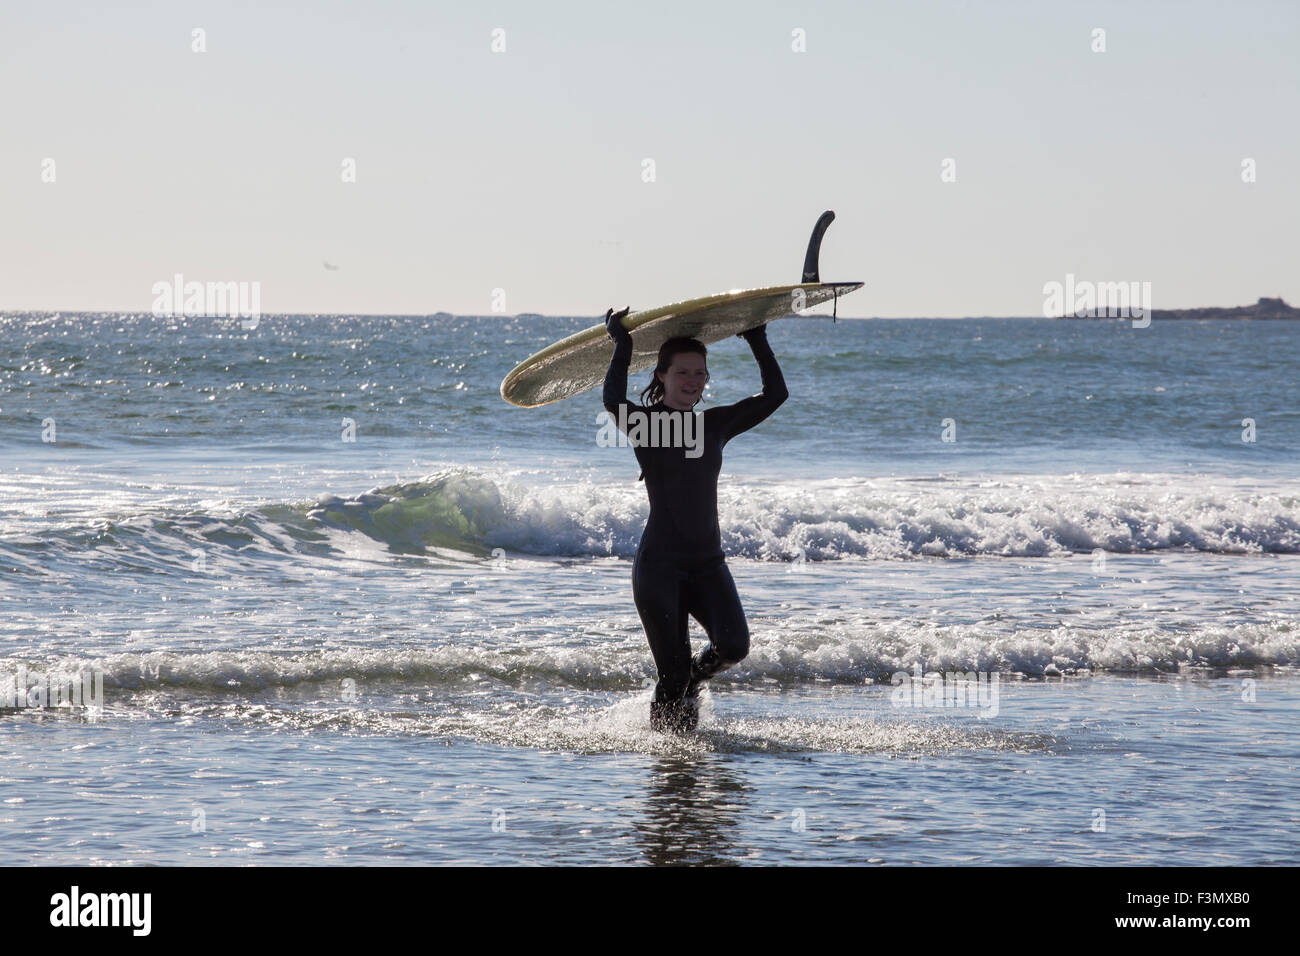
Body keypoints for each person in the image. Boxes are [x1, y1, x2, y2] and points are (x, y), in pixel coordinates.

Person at [602, 306, 788, 733]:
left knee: (734, 645)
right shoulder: (645, 426)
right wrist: (623, 344)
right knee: (671, 675)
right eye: (683, 373)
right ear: (662, 376)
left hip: (707, 564)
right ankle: (670, 762)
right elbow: (612, 399)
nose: (693, 382)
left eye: (700, 374)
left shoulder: (714, 425)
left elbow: (775, 395)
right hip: (659, 568)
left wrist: (757, 338)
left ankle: (692, 683)